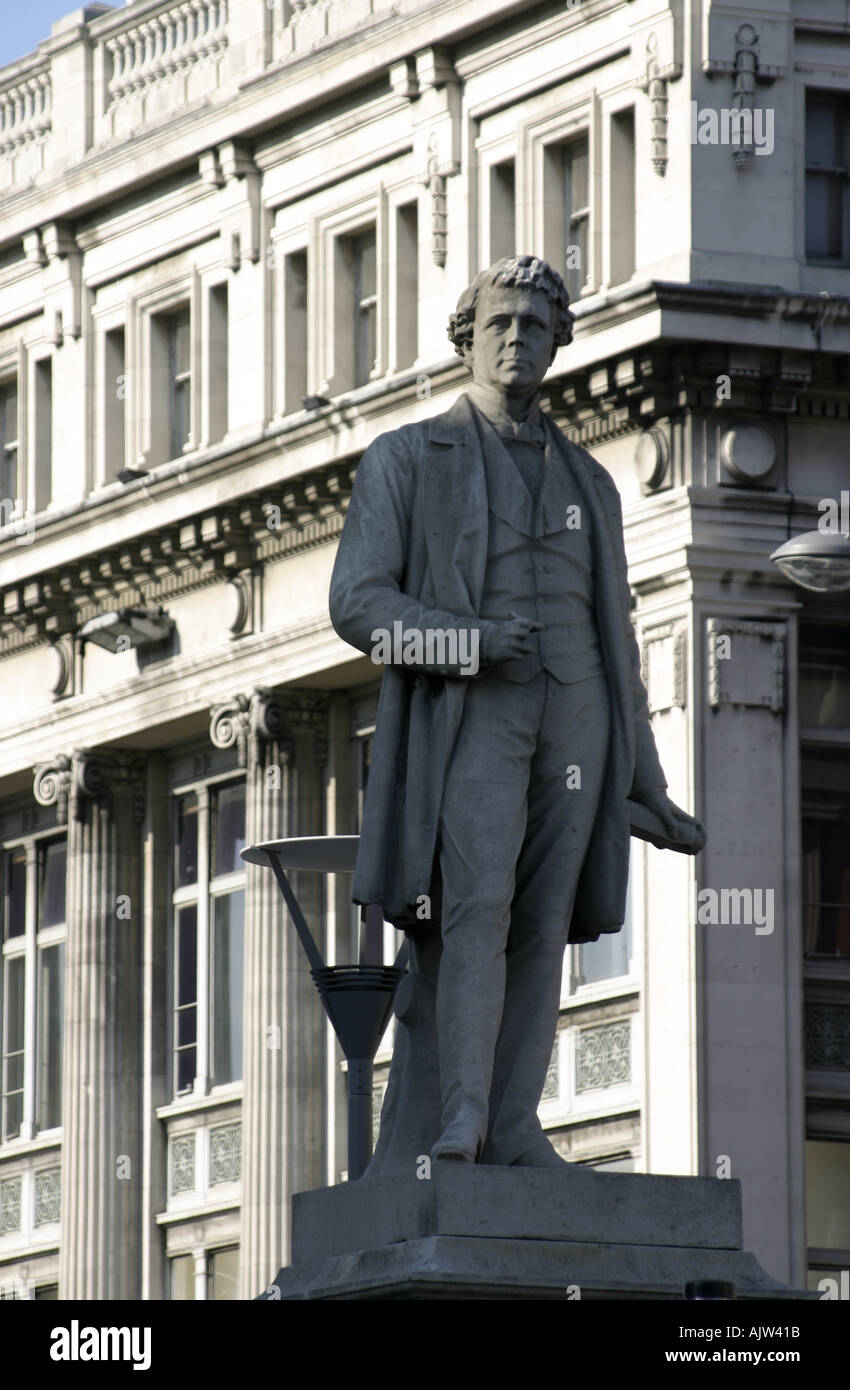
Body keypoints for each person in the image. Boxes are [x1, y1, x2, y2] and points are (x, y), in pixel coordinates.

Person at [329, 255, 703, 1169]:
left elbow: (617, 640)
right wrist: (466, 642)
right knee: (478, 911)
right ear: (467, 338)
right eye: (499, 324)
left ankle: (513, 1119)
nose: (516, 340)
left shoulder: (592, 485)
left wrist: (644, 777)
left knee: (545, 923)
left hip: (576, 718)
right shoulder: (409, 458)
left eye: (535, 326)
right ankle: (459, 1119)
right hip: (474, 718)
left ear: (559, 341)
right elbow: (359, 607)